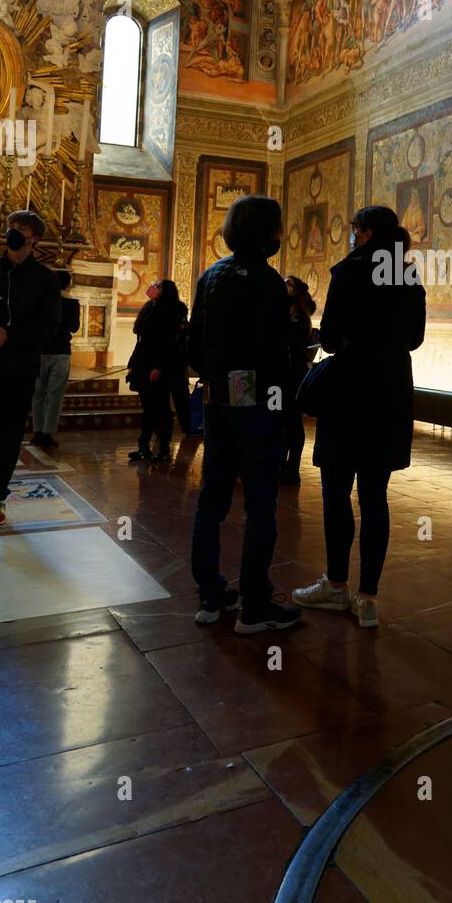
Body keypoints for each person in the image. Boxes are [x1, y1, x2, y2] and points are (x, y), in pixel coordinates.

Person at [293, 205, 426, 628]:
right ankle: (368, 598)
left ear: (365, 234)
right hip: (390, 391)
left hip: (349, 388)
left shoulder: (349, 271)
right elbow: (415, 339)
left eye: (354, 230)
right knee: (375, 495)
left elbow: (329, 337)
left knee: (336, 490)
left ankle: (335, 586)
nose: (352, 237)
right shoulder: (408, 276)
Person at [189, 195, 301, 633]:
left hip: (218, 395)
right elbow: (275, 351)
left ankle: (210, 597)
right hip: (257, 397)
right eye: (276, 228)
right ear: (266, 233)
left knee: (212, 498)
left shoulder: (212, 275)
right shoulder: (268, 281)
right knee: (260, 503)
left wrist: (219, 379)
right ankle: (254, 604)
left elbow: (194, 345)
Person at [0, 211, 61, 526]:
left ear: (33, 238)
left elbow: (48, 326)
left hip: (19, 369)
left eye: (20, 229)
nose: (13, 233)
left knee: (10, 437)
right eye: (11, 227)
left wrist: (11, 335)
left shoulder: (45, 279)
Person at [126, 278, 188, 463]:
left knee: (161, 408)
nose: (153, 288)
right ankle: (143, 445)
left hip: (161, 367)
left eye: (157, 286)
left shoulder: (172, 310)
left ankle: (164, 448)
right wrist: (132, 362)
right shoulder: (149, 308)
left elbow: (167, 342)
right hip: (143, 363)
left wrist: (158, 366)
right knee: (149, 408)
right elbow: (141, 339)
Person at [31, 269, 80, 450]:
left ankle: (37, 432)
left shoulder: (42, 301)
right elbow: (74, 327)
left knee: (38, 394)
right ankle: (47, 433)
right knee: (55, 395)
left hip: (41, 351)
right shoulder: (72, 303)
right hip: (61, 352)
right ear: (68, 284)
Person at [281, 274, 317, 486]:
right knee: (284, 420)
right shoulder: (288, 313)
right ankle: (283, 465)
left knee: (292, 421)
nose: (284, 286)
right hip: (285, 375)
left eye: (288, 283)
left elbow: (292, 345)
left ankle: (292, 468)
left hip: (293, 375)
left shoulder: (300, 318)